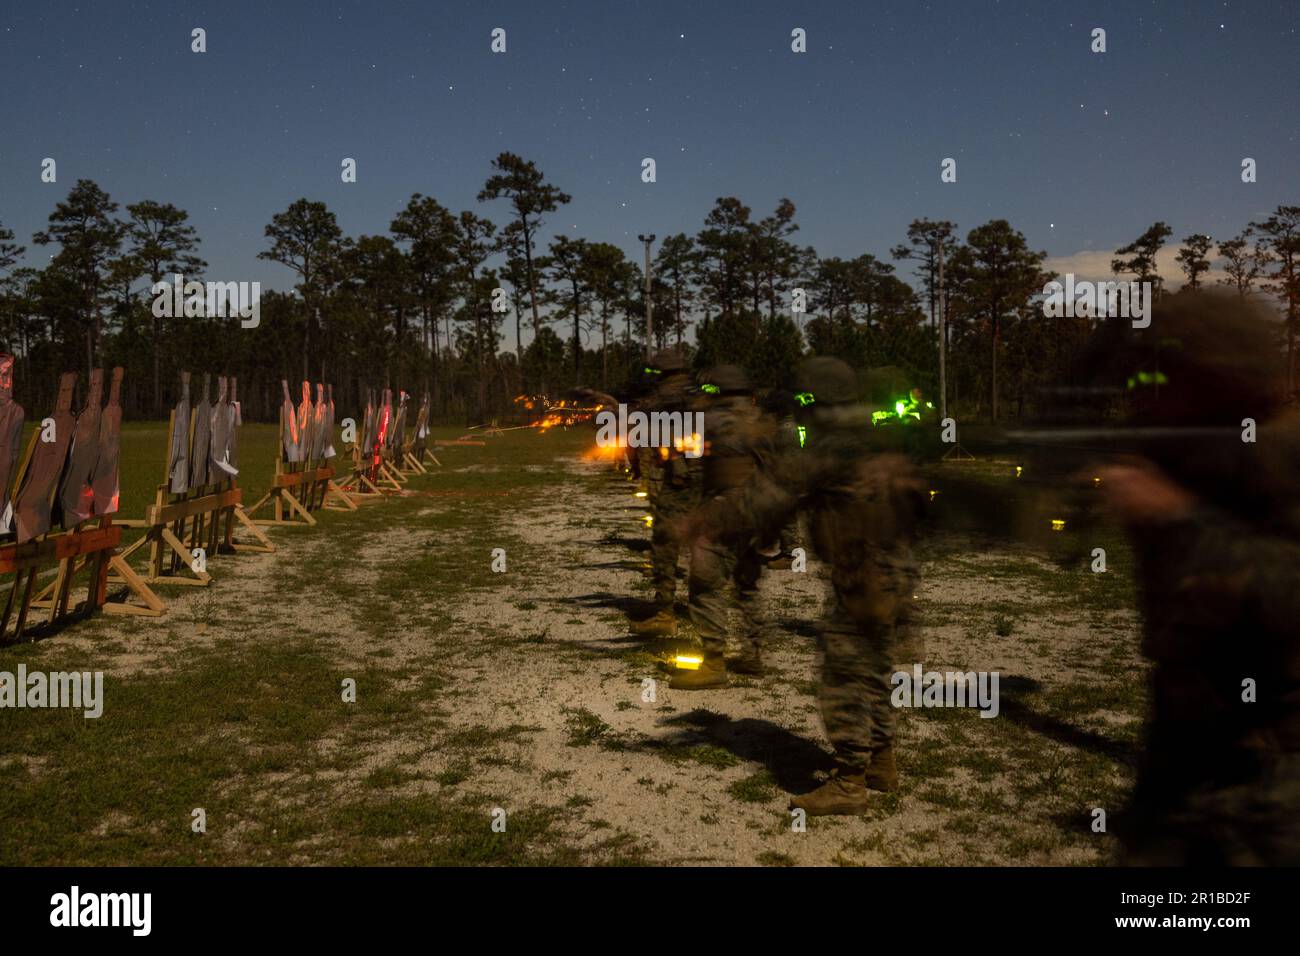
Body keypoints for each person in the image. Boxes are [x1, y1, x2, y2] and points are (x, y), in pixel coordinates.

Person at [1087, 294, 1300, 865]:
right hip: (1187, 740)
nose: (1146, 393)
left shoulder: (1281, 454)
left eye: (1166, 374)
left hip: (1273, 762)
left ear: (1218, 374)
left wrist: (1180, 519)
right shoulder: (1195, 452)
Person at [684, 356, 925, 813]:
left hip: (862, 580)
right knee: (875, 668)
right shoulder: (879, 436)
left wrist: (697, 523)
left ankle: (850, 781)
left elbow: (762, 501)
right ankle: (881, 760)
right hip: (897, 574)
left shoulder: (827, 450)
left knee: (843, 677)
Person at [670, 365, 776, 689]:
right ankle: (752, 654)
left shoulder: (714, 418)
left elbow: (685, 447)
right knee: (747, 582)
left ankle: (713, 662)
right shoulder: (764, 421)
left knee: (704, 581)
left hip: (725, 509)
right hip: (760, 509)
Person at [629, 348, 702, 639]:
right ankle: (701, 608)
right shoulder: (701, 396)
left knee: (665, 541)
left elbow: (642, 416)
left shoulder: (664, 398)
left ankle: (665, 611)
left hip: (678, 476)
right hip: (707, 478)